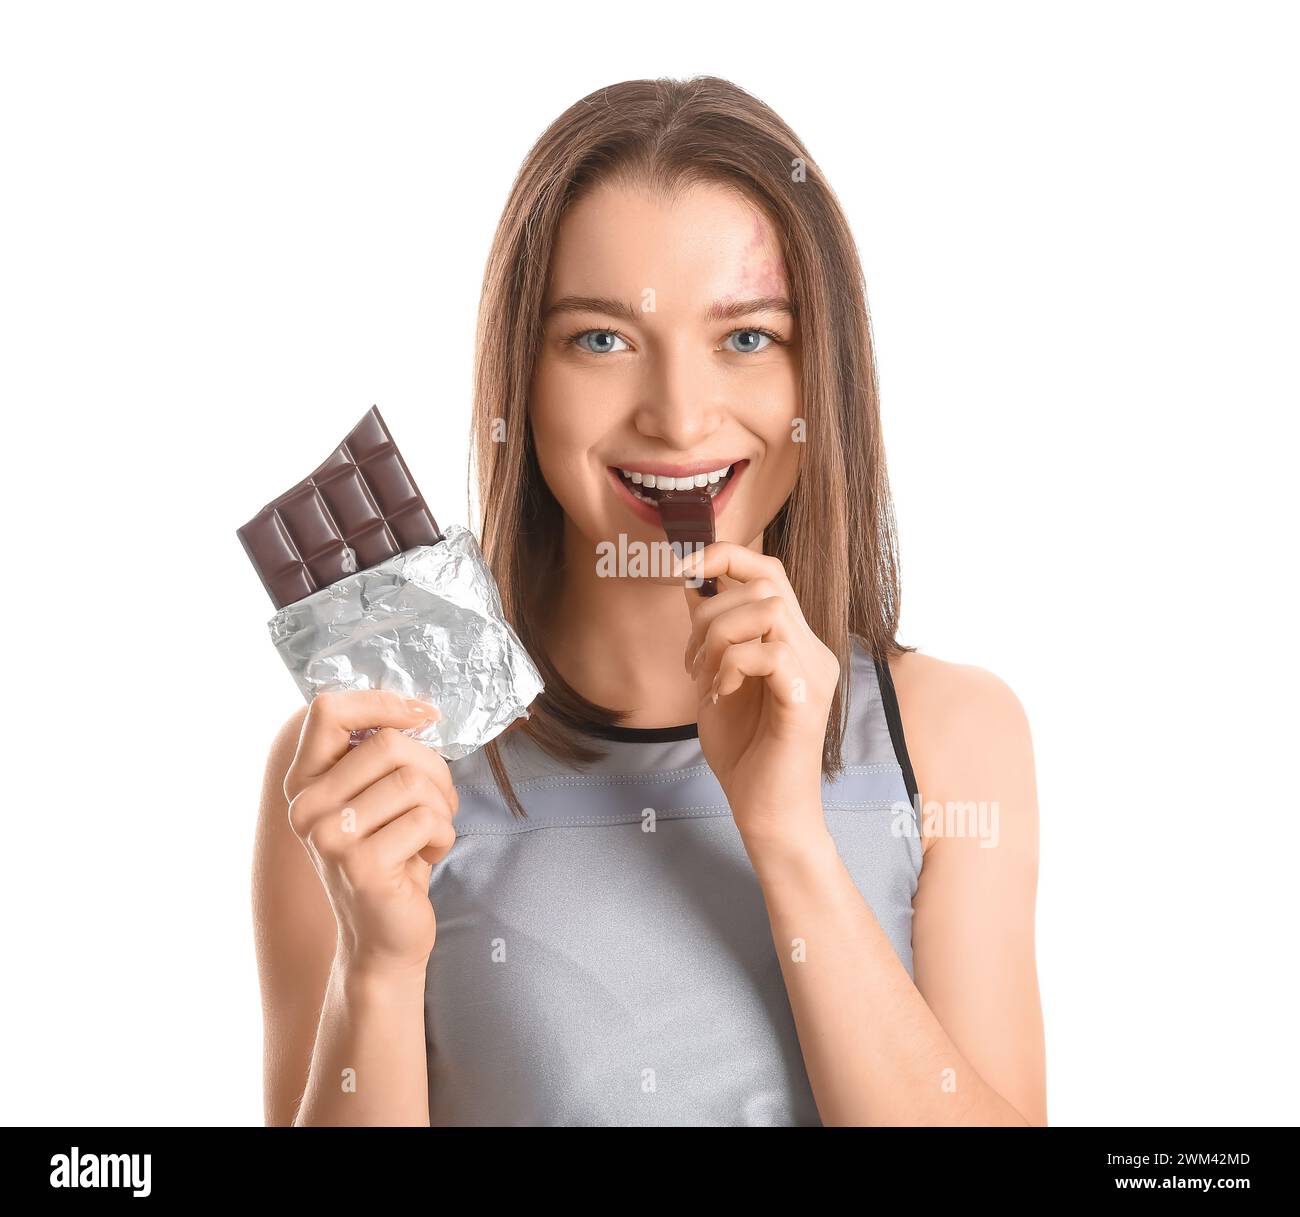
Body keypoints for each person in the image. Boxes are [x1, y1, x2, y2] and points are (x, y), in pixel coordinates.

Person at [252, 75, 1046, 1127]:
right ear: (520, 380)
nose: (678, 417)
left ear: (822, 379)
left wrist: (786, 835)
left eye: (748, 337)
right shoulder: (365, 774)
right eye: (601, 339)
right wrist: (380, 968)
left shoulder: (948, 736)